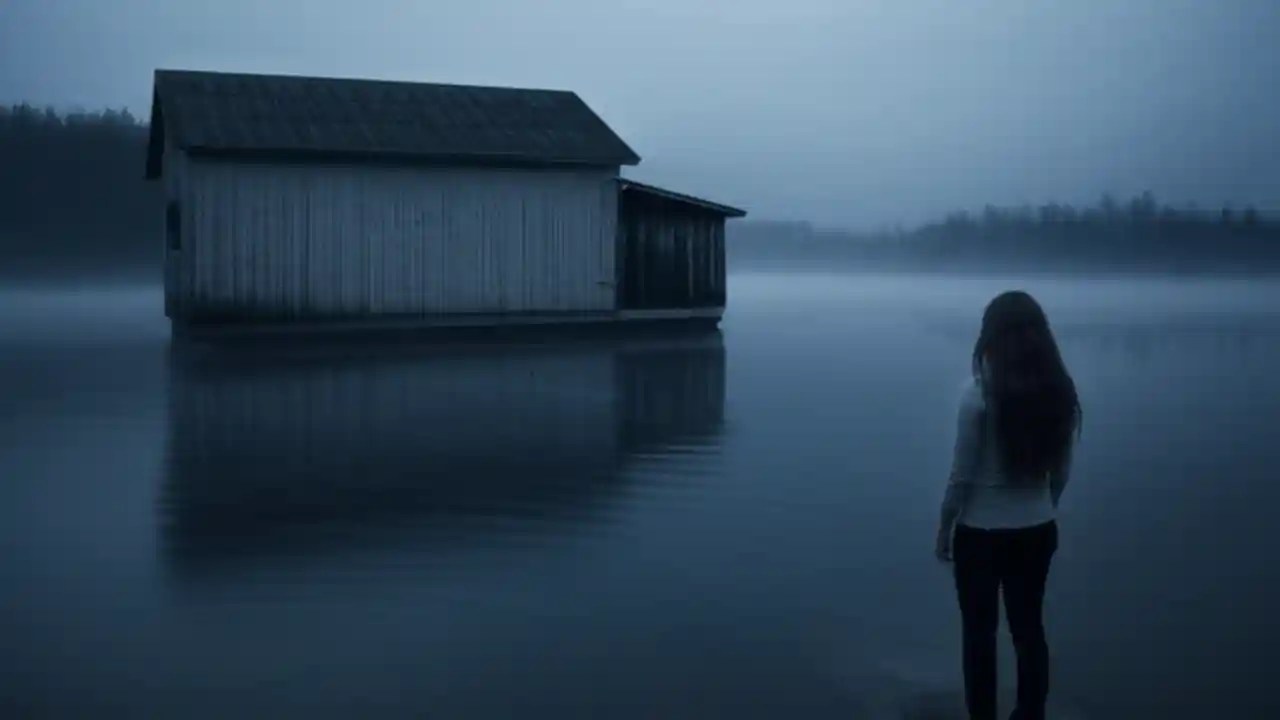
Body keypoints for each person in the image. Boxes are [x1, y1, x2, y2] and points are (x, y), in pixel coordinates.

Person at [935, 290, 1081, 720]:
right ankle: (1030, 713)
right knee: (1028, 628)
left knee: (979, 636)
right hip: (1037, 529)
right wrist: (1042, 507)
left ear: (990, 335)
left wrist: (945, 526)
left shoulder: (977, 394)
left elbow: (961, 476)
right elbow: (1062, 474)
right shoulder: (1060, 392)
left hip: (980, 535)